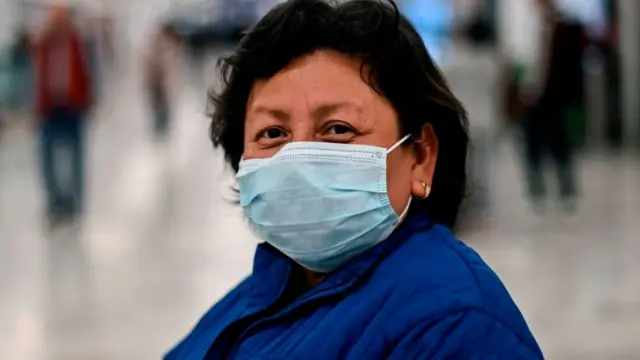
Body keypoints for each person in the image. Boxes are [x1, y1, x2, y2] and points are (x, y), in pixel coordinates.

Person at [165, 1, 543, 359]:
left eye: (338, 128)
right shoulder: (271, 289)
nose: (298, 160)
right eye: (273, 133)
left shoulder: (454, 328)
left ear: (420, 157)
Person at [523, 0, 584, 212]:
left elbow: (573, 64)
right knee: (532, 145)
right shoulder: (527, 27)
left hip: (555, 96)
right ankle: (537, 190)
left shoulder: (566, 26)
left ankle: (566, 190)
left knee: (560, 143)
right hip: (531, 96)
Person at [34, 6, 92, 223]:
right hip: (50, 109)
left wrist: (88, 101)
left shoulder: (77, 43)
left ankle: (74, 202)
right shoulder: (43, 44)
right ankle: (55, 202)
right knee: (46, 157)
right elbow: (36, 75)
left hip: (73, 107)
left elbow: (88, 71)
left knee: (76, 157)